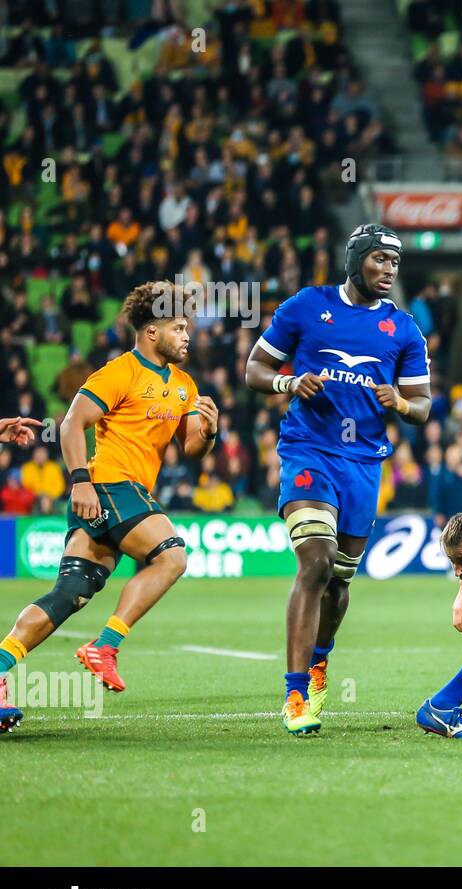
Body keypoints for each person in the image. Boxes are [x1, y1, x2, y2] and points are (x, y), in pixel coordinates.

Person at [0, 282, 218, 733]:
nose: (187, 336)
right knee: (172, 557)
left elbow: (192, 449)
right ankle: (106, 646)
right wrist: (80, 480)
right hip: (110, 485)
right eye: (179, 328)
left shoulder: (184, 386)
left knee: (70, 593)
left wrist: (209, 433)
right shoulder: (119, 372)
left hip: (117, 496)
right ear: (152, 332)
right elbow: (71, 424)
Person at [244, 224, 432, 735]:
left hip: (364, 463)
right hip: (309, 449)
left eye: (395, 262)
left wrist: (402, 404)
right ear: (355, 260)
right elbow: (255, 369)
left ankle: (319, 659)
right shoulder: (308, 306)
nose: (389, 270)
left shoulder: (404, 330)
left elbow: (423, 405)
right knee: (316, 560)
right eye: (379, 259)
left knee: (339, 580)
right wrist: (288, 381)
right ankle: (295, 694)